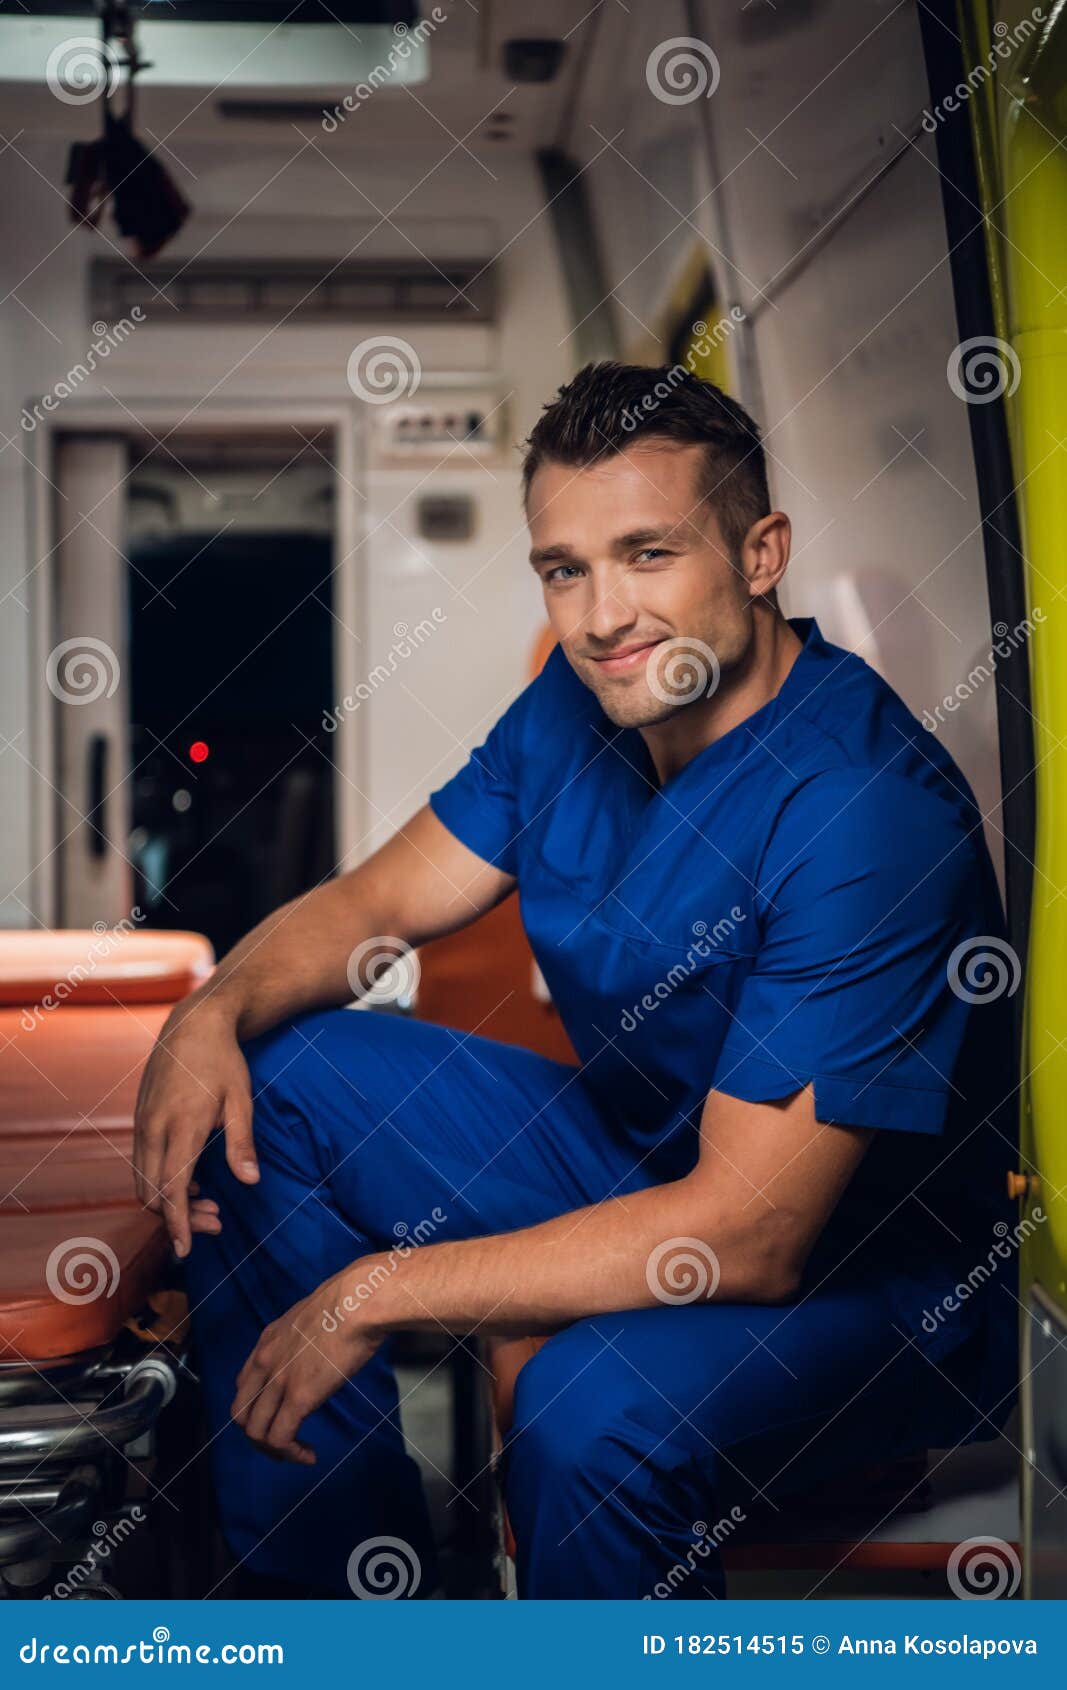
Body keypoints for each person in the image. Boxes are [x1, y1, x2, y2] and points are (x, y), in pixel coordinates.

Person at [133, 361, 1019, 1600]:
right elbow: (378, 902)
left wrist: (372, 1292)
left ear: (759, 553)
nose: (603, 615)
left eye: (646, 553)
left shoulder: (859, 812)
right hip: (648, 1166)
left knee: (585, 1412)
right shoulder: (577, 702)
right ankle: (338, 1616)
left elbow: (750, 1236)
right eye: (564, 568)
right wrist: (206, 1011)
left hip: (868, 1283)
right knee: (276, 1082)